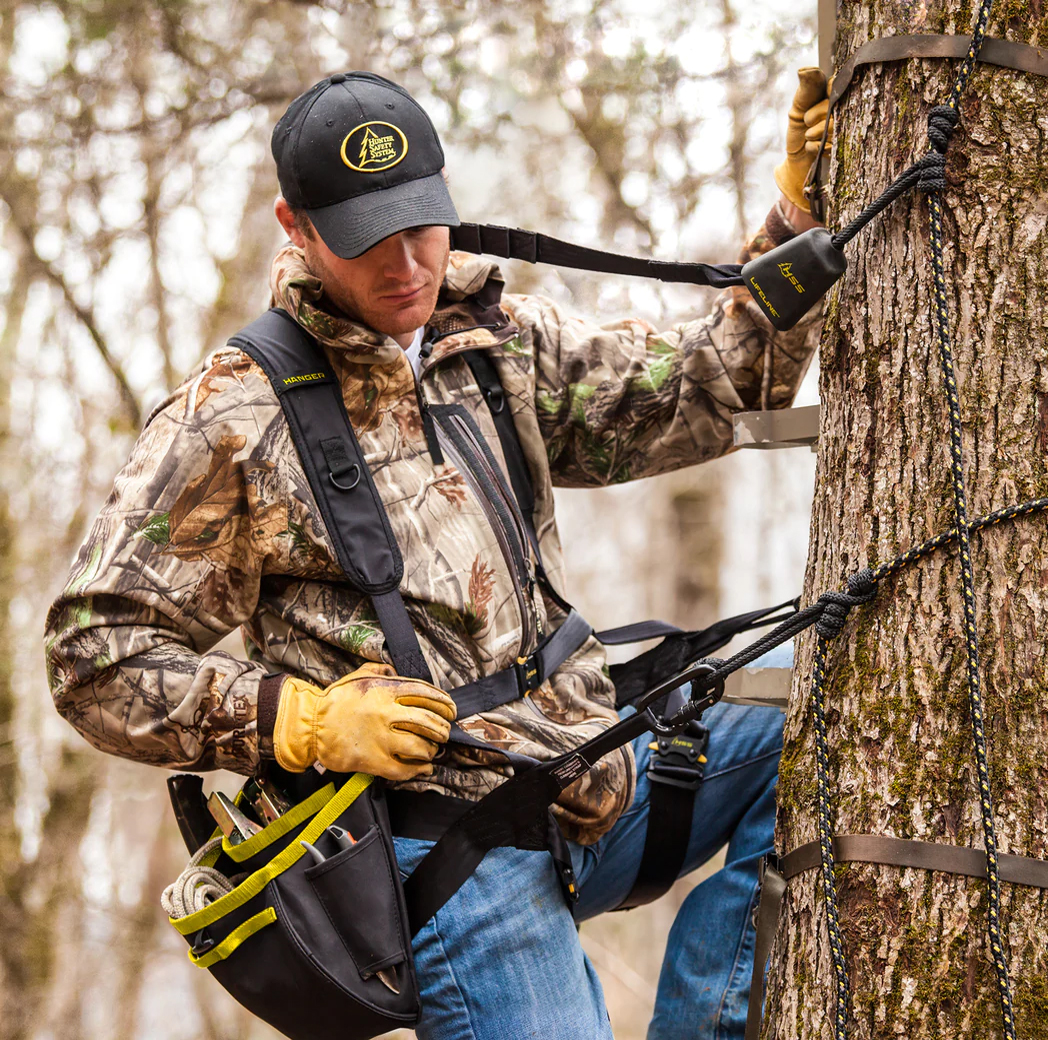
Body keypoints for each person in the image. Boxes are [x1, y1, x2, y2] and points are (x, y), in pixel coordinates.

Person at [44, 67, 831, 1040]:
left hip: (594, 776)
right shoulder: (232, 419)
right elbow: (94, 653)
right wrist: (303, 720)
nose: (405, 261)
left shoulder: (502, 340)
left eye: (420, 223)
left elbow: (713, 382)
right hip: (450, 849)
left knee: (815, 709)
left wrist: (800, 212)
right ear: (295, 225)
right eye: (365, 236)